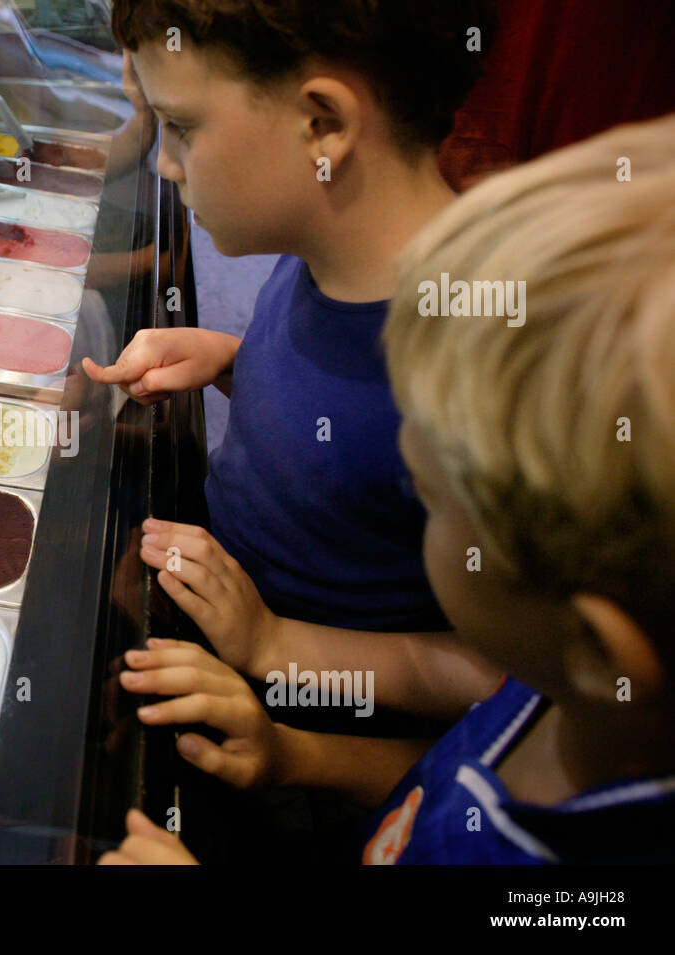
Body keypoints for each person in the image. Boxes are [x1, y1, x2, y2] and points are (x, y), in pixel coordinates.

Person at [100, 113, 675, 864]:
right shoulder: (566, 697)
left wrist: (281, 655)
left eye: (431, 504)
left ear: (599, 648)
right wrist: (293, 751)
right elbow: (445, 777)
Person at [86, 0, 497, 654]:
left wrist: (276, 653)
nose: (165, 162)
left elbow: (503, 677)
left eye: (182, 127)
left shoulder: (480, 372)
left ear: (323, 125)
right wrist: (231, 363)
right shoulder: (321, 247)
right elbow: (340, 428)